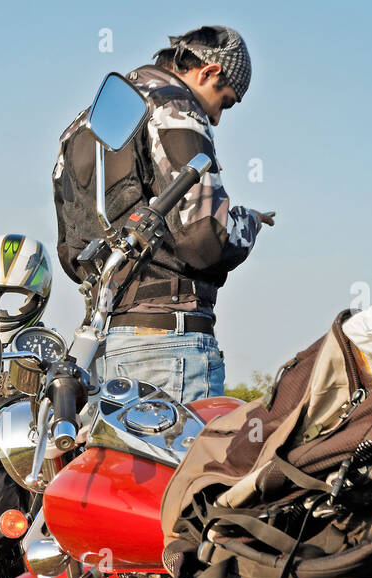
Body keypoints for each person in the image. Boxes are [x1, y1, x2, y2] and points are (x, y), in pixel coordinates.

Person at [53, 24, 273, 403]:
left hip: (106, 347)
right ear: (209, 72)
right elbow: (205, 237)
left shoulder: (84, 123)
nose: (218, 118)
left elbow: (72, 253)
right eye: (225, 101)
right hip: (170, 348)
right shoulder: (174, 107)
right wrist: (250, 221)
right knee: (193, 465)